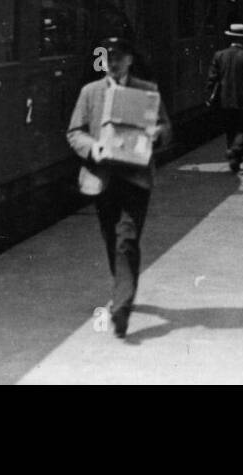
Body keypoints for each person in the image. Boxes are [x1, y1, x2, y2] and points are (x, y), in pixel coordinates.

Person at [66, 37, 172, 337]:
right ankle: (122, 286)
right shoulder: (91, 92)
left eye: (118, 57)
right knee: (112, 240)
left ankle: (121, 306)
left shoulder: (147, 91)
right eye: (108, 58)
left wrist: (155, 134)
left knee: (127, 239)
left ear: (129, 61)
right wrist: (93, 147)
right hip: (102, 178)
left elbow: (166, 128)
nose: (112, 63)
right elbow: (75, 131)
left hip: (135, 179)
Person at [206, 22, 243, 174]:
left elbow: (212, 78)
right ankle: (235, 151)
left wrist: (209, 95)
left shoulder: (219, 55)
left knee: (230, 130)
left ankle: (234, 162)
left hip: (224, 101)